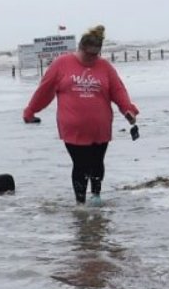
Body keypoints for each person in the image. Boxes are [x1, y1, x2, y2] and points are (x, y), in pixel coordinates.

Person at [24, 25, 139, 206]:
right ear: (80, 48)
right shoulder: (61, 64)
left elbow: (118, 90)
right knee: (81, 164)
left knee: (97, 162)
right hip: (73, 128)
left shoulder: (105, 67)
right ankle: (80, 203)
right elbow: (44, 90)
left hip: (100, 126)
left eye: (96, 54)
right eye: (89, 54)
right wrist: (31, 110)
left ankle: (96, 196)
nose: (93, 59)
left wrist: (128, 109)